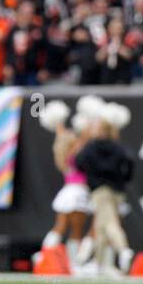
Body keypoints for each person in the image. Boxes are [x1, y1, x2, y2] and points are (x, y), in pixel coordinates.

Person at [75, 103, 136, 276]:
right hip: (117, 190)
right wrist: (124, 180)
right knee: (100, 228)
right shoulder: (118, 147)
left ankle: (124, 250)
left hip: (100, 190)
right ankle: (98, 264)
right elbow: (130, 163)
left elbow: (78, 163)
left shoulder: (92, 146)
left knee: (109, 224)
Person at [38, 101, 91, 268]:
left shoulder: (62, 151)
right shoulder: (74, 151)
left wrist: (58, 123)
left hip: (67, 191)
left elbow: (62, 135)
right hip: (78, 192)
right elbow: (83, 138)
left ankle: (43, 255)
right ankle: (73, 263)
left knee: (59, 227)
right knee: (76, 231)